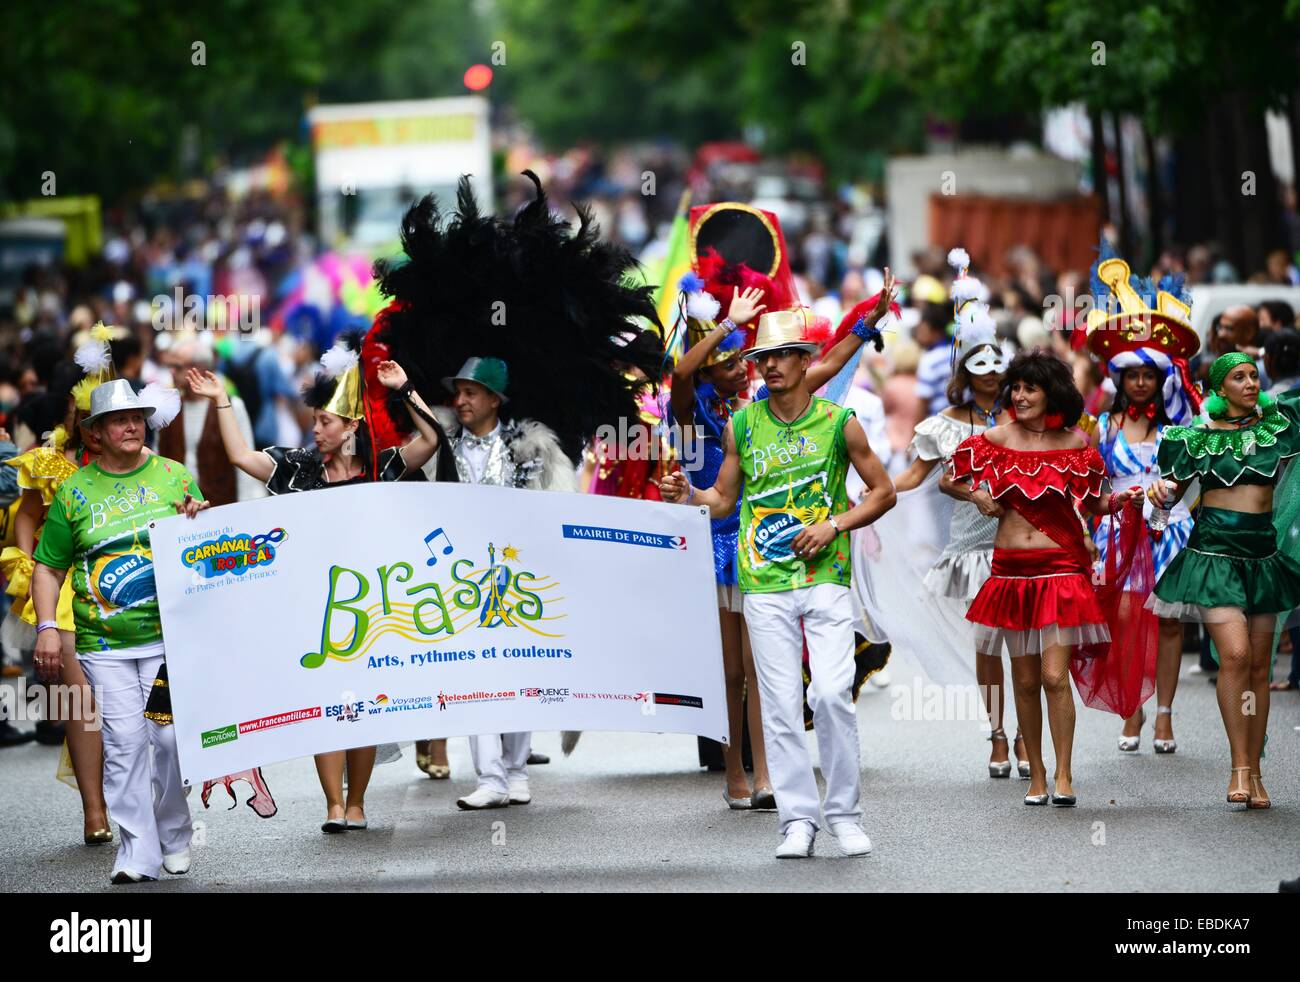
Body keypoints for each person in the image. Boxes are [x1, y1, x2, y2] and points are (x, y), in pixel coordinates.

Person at [659, 307, 898, 859]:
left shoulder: (841, 423)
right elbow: (721, 498)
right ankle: (798, 820)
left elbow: (883, 492)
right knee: (780, 702)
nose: (769, 366)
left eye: (780, 356)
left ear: (804, 360)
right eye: (761, 357)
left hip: (826, 576)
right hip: (762, 581)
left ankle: (844, 814)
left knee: (832, 692)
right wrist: (689, 498)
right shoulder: (741, 425)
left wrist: (833, 525)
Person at [186, 334, 442, 832]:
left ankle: (358, 802)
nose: (316, 429)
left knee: (365, 709)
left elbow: (430, 441)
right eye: (314, 421)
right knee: (327, 706)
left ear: (350, 426)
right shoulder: (296, 467)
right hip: (312, 607)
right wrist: (221, 400)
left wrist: (405, 388)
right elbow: (240, 455)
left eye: (325, 421)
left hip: (370, 606)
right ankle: (332, 805)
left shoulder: (380, 467)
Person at [944, 351, 1145, 808]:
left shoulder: (1075, 444)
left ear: (1051, 393)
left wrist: (1127, 500)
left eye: (1030, 388)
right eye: (1015, 387)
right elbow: (947, 479)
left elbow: (1096, 504)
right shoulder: (993, 439)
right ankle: (1036, 775)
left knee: (1055, 677)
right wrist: (976, 494)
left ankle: (1064, 774)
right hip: (1011, 576)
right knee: (1025, 680)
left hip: (1060, 571)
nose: (1018, 395)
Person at [30, 379, 206, 884]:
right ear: (97, 434)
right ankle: (137, 853)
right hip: (104, 648)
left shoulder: (174, 476)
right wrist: (46, 626)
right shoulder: (74, 491)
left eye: (137, 418)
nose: (131, 426)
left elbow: (209, 549)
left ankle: (174, 832)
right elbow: (48, 567)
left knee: (169, 739)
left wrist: (198, 517)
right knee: (125, 744)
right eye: (118, 420)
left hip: (167, 641)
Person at [885, 256, 1019, 778]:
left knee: (1026, 646)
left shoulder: (1023, 416)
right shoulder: (943, 425)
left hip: (1023, 547)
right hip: (972, 552)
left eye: (996, 363)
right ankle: (998, 735)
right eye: (977, 365)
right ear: (963, 370)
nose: (989, 375)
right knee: (988, 645)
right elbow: (914, 476)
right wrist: (865, 496)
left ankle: (1029, 734)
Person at [1147, 352, 1300, 809]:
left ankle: (1255, 769)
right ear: (1219, 389)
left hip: (1264, 559)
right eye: (1239, 377)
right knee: (1234, 655)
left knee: (1258, 666)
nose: (1251, 383)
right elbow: (1165, 504)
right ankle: (1237, 766)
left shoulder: (1277, 431)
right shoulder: (1194, 438)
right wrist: (1157, 497)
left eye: (1254, 375)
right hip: (1213, 558)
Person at [423, 357, 577, 810]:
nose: (461, 400)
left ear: (495, 399)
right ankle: (490, 776)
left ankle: (515, 769)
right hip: (461, 577)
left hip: (518, 576)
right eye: (459, 391)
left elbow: (556, 510)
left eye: (472, 392)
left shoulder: (532, 449)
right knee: (474, 674)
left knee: (522, 669)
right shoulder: (439, 445)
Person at [1084, 250, 1204, 755]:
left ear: (1160, 379)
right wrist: (1113, 501)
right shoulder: (1101, 426)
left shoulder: (1180, 426)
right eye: (1131, 374)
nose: (1140, 382)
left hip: (1169, 528)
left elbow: (1197, 478)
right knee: (1129, 620)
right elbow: (1091, 486)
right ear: (1118, 378)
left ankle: (1165, 718)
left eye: (1148, 375)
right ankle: (1131, 708)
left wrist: (1174, 494)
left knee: (1170, 620)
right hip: (1118, 533)